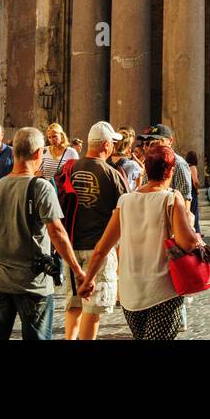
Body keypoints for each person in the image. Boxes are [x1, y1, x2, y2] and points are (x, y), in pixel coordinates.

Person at [79, 143, 199, 340]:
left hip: (130, 295)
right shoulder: (171, 200)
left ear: (145, 168)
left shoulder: (125, 201)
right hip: (163, 293)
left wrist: (88, 279)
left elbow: (101, 248)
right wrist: (189, 220)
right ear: (171, 170)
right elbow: (188, 244)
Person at [0, 127, 84, 340]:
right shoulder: (42, 188)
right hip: (34, 286)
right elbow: (57, 233)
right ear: (37, 154)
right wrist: (78, 272)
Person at [61, 121, 126, 340]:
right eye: (113, 144)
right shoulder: (113, 175)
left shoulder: (70, 169)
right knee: (93, 308)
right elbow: (124, 214)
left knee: (74, 301)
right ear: (106, 146)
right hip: (99, 248)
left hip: (71, 247)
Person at [184, 150, 202, 231]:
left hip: (187, 190)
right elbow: (195, 181)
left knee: (188, 212)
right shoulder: (193, 167)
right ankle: (196, 231)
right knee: (194, 212)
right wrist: (197, 189)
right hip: (193, 191)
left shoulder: (186, 166)